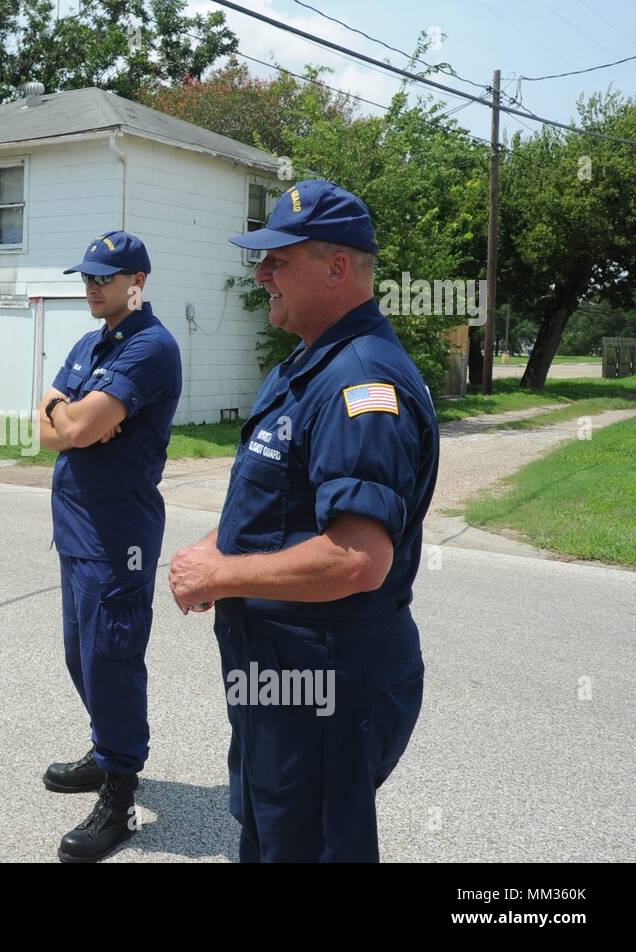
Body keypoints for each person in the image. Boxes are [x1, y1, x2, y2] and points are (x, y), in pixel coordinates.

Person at [168, 181, 439, 862]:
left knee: (309, 846)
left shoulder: (359, 385)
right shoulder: (307, 365)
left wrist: (226, 573)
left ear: (337, 268)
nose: (260, 275)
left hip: (326, 683)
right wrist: (213, 554)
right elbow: (281, 504)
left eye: (277, 260)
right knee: (273, 837)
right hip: (281, 675)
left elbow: (356, 558)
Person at [37, 231, 182, 862]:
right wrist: (67, 418)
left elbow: (73, 423)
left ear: (137, 281)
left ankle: (120, 790)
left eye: (104, 276)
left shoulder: (151, 348)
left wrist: (72, 419)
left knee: (111, 658)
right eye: (87, 276)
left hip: (117, 534)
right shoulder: (91, 343)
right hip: (76, 527)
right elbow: (49, 427)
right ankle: (105, 752)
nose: (92, 286)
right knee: (80, 653)